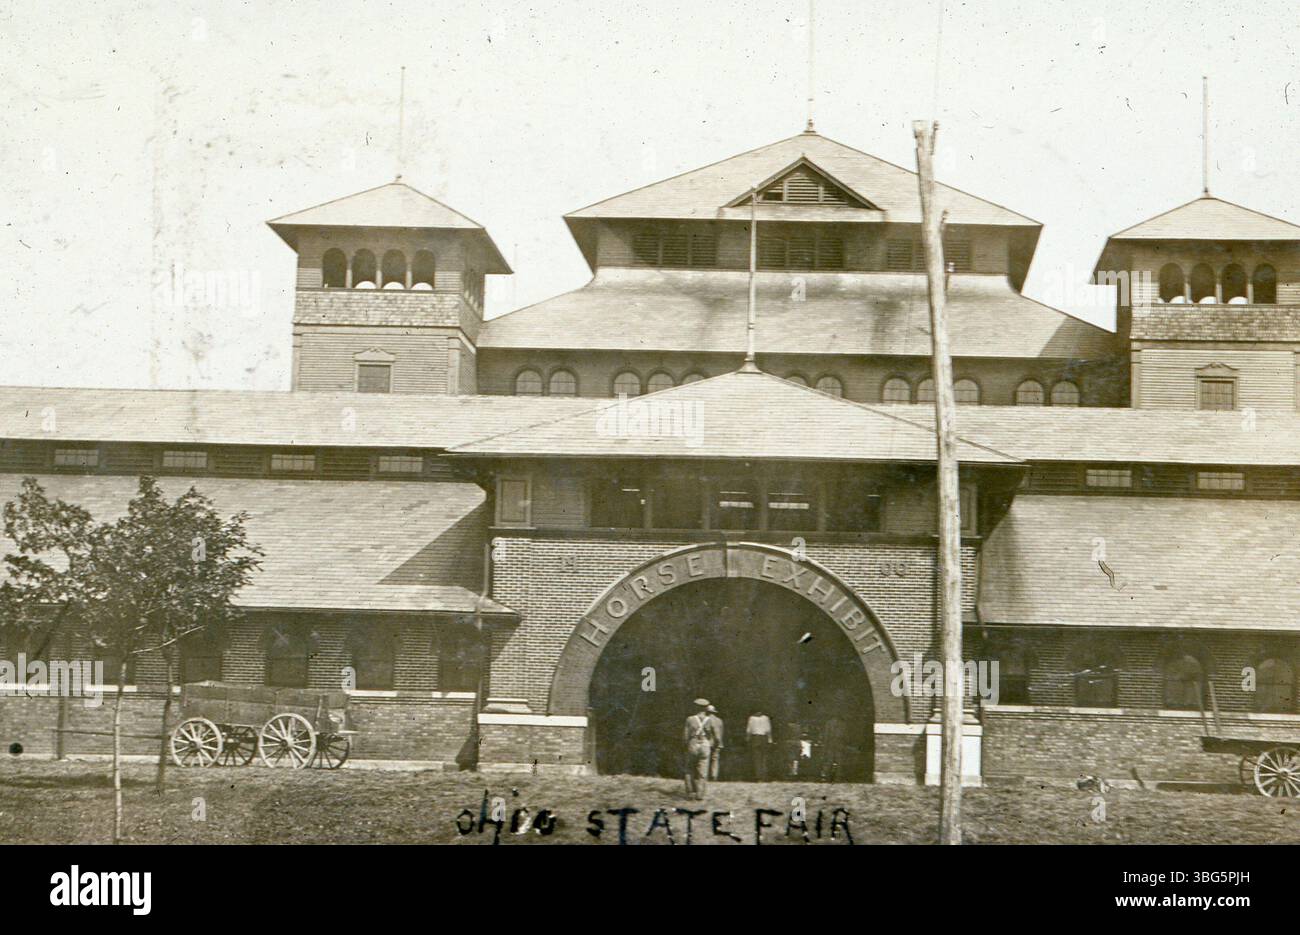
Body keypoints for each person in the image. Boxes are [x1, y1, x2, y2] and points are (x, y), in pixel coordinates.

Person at [683, 698, 720, 800]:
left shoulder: (690, 719)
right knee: (703, 771)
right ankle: (700, 795)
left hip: (693, 743)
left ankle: (690, 793)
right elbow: (717, 737)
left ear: (696, 707)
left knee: (689, 769)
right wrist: (712, 744)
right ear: (706, 708)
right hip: (705, 744)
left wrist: (687, 746)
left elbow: (685, 737)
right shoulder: (710, 720)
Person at [746, 709, 773, 780]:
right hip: (764, 738)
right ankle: (764, 775)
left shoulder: (751, 718)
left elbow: (748, 730)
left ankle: (758, 776)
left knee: (756, 757)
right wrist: (770, 740)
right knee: (764, 757)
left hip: (755, 738)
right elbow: (768, 730)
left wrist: (748, 739)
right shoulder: (766, 718)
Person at [706, 704, 724, 780]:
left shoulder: (706, 720)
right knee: (715, 759)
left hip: (708, 741)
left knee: (706, 759)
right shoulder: (719, 720)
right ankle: (714, 775)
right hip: (718, 742)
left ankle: (705, 775)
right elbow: (721, 732)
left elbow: (708, 731)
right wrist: (719, 741)